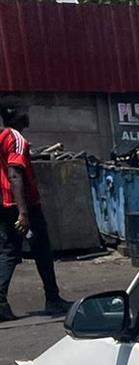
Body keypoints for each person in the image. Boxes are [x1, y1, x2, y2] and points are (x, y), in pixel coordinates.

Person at [0, 103, 70, 322]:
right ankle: (52, 299)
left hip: (5, 204)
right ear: (20, 116)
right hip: (22, 206)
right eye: (26, 112)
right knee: (39, 250)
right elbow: (15, 174)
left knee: (10, 251)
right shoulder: (17, 140)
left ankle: (6, 302)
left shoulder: (2, 136)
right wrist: (23, 213)